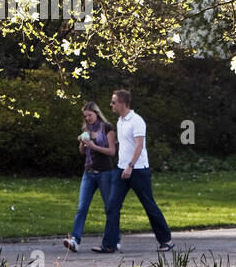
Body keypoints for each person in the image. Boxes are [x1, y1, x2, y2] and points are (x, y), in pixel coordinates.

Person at [94, 88, 174, 253]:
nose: (111, 105)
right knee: (112, 206)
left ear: (123, 103)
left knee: (149, 205)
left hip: (138, 170)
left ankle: (166, 240)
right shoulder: (120, 121)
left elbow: (139, 146)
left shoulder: (137, 121)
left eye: (113, 102)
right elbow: (126, 143)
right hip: (121, 170)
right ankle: (109, 245)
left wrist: (130, 166)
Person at [64, 103, 117, 252]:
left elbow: (112, 151)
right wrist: (83, 143)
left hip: (105, 172)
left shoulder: (107, 128)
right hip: (88, 172)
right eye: (85, 116)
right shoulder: (86, 129)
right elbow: (82, 152)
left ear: (96, 113)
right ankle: (75, 240)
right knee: (82, 207)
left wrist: (94, 146)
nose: (87, 118)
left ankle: (115, 238)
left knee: (109, 208)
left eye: (90, 115)